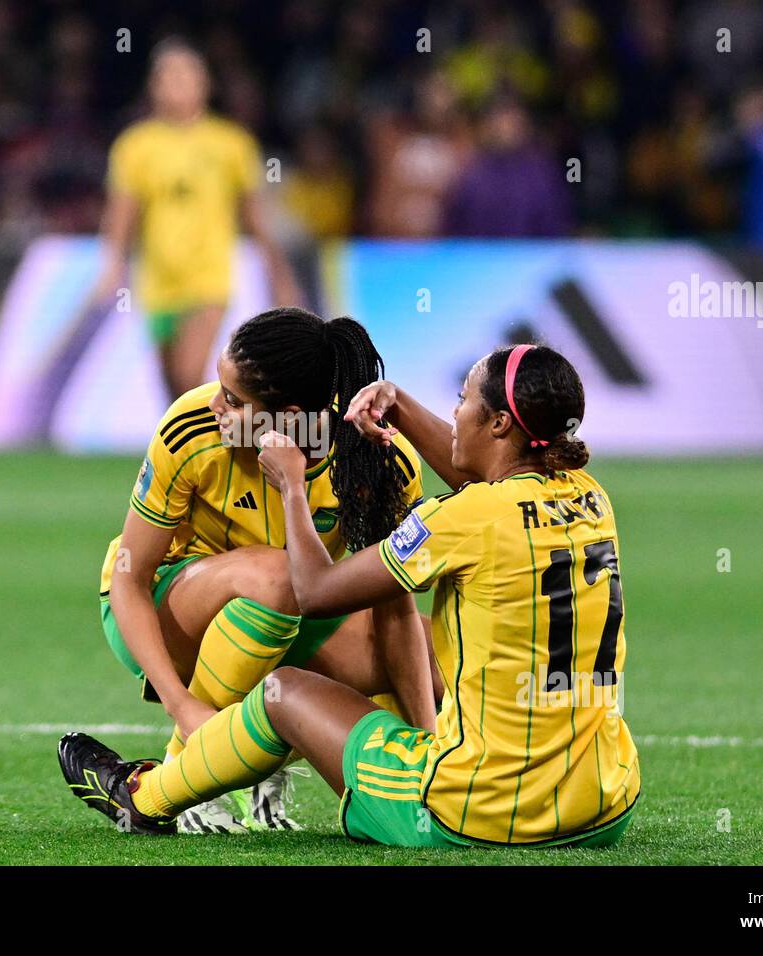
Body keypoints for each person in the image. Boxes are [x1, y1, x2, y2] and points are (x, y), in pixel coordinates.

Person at [61, 344, 641, 848]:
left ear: (497, 425)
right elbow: (490, 487)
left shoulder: (459, 518)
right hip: (607, 799)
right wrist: (401, 404)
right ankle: (214, 748)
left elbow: (313, 590)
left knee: (283, 693)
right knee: (420, 647)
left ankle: (149, 794)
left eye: (462, 400)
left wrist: (291, 487)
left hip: (480, 812)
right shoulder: (595, 498)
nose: (455, 414)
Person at [90, 307, 437, 833]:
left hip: (294, 616)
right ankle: (184, 777)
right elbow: (128, 578)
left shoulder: (376, 459)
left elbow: (395, 610)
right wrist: (183, 709)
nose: (214, 405)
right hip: (166, 612)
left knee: (445, 653)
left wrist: (427, 741)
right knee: (277, 577)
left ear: (288, 414)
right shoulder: (192, 429)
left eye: (233, 400)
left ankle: (265, 752)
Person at [90, 38, 299, 398]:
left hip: (207, 277)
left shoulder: (231, 144)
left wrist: (277, 271)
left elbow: (254, 216)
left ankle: (211, 446)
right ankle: (190, 450)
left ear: (205, 85)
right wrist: (112, 263)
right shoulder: (135, 145)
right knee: (172, 386)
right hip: (157, 281)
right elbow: (122, 213)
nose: (178, 85)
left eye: (186, 76)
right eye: (169, 77)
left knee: (190, 374)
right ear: (153, 86)